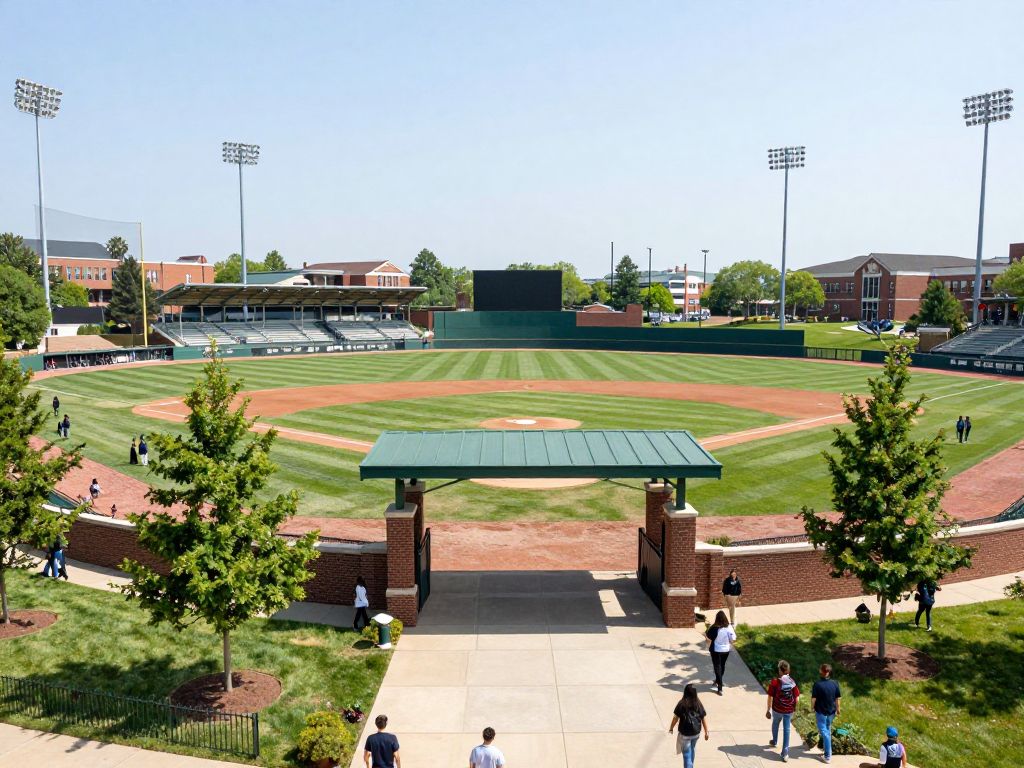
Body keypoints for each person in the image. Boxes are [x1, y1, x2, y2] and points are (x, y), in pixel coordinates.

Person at [766, 659, 800, 762]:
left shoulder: (775, 682)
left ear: (780, 671)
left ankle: (774, 741)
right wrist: (793, 708)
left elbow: (770, 697)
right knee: (787, 730)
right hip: (788, 710)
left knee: (775, 723)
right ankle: (785, 754)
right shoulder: (792, 682)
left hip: (777, 709)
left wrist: (768, 709)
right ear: (788, 671)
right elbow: (797, 698)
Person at [669, 683, 709, 768]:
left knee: (687, 754)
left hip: (685, 734)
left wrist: (671, 728)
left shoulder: (681, 704)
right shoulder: (698, 703)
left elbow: (675, 718)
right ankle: (691, 765)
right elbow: (703, 718)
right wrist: (706, 732)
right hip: (696, 733)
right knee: (692, 749)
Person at [811, 663, 842, 764]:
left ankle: (828, 756)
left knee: (824, 732)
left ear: (822, 671)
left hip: (821, 712)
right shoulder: (835, 683)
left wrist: (812, 707)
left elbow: (813, 699)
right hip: (831, 712)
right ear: (828, 672)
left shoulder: (817, 684)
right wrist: (838, 709)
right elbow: (838, 698)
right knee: (827, 730)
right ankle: (826, 750)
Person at [706, 610, 737, 695]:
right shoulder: (729, 627)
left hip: (716, 650)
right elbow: (733, 639)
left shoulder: (714, 627)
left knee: (717, 667)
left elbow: (708, 636)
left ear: (717, 619)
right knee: (722, 666)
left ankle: (720, 688)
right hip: (726, 650)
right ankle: (717, 680)